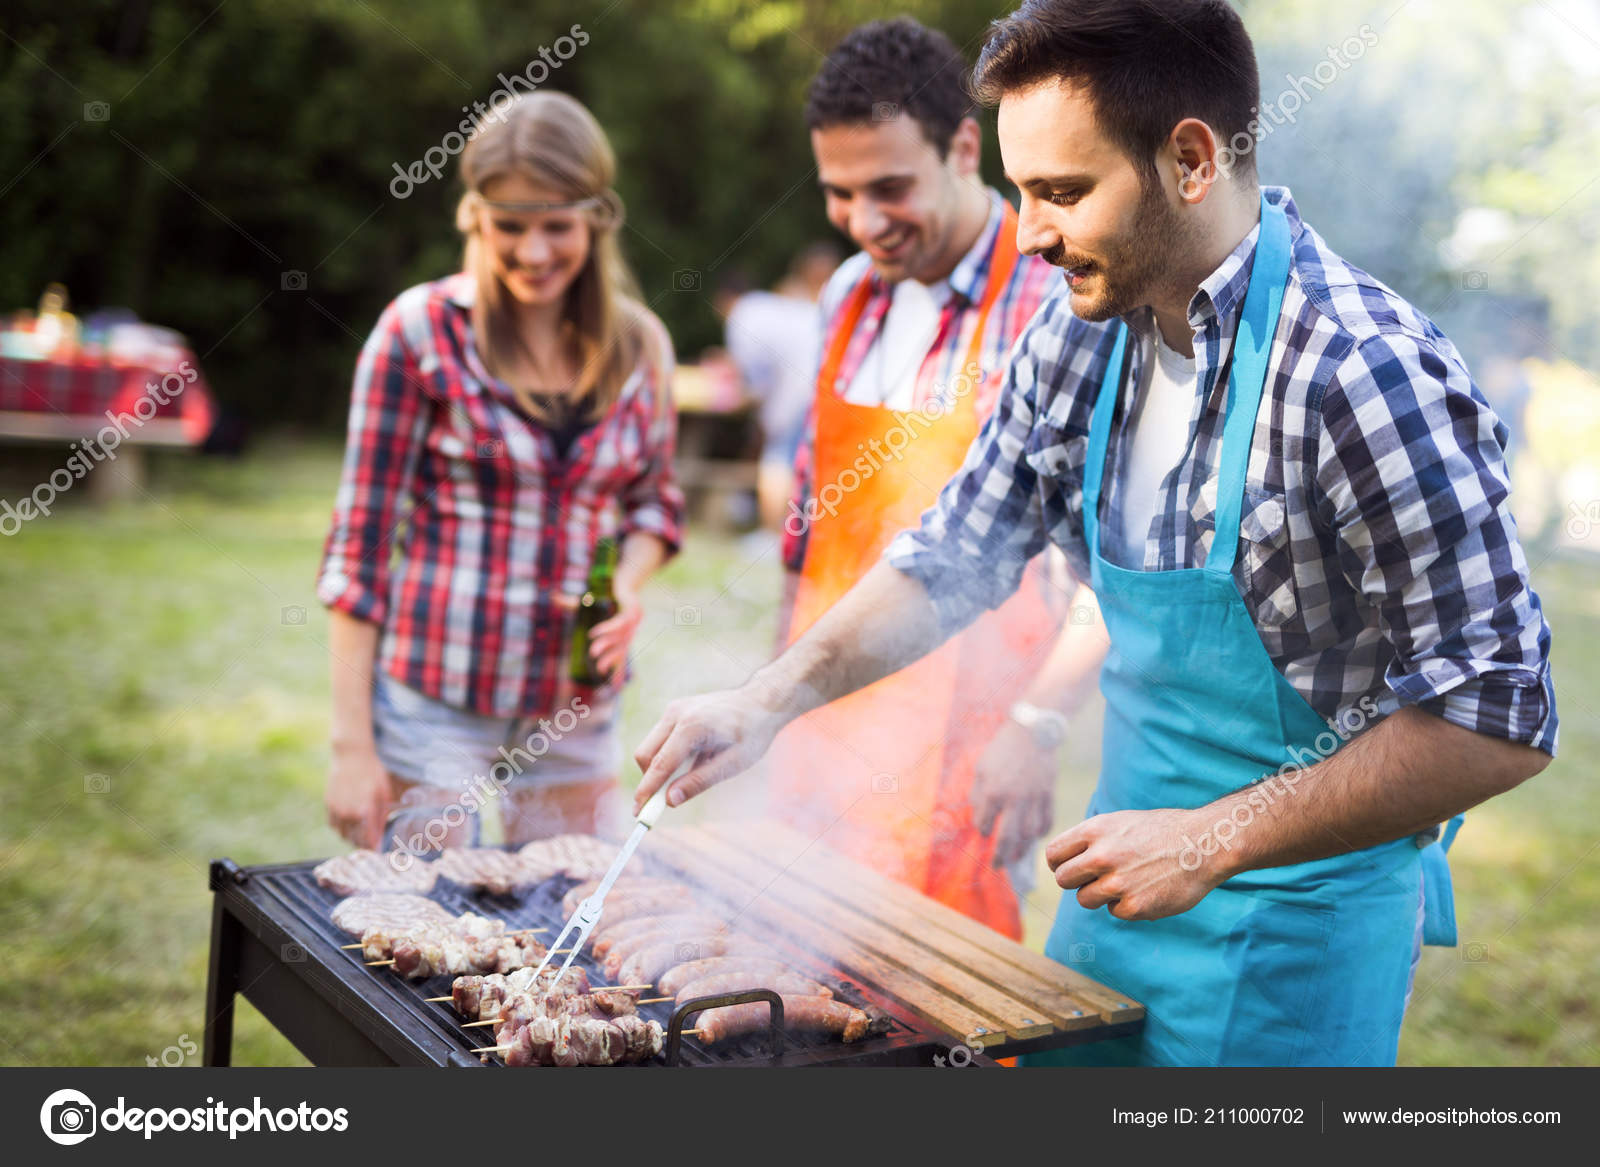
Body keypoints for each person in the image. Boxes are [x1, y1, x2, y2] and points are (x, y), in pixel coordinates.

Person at [633, 0, 1557, 1067]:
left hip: (1297, 936)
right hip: (1110, 899)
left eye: (1063, 193)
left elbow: (1496, 715)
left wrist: (1213, 839)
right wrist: (767, 699)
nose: (1028, 231)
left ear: (1191, 160)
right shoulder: (1077, 338)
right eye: (1023, 191)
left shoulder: (1360, 373)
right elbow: (949, 559)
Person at [762, 17, 1077, 940]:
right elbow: (807, 513)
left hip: (968, 733)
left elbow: (1094, 553)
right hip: (827, 708)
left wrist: (1037, 720)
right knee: (798, 978)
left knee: (944, 1011)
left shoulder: (1050, 297)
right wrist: (772, 687)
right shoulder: (845, 294)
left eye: (889, 186)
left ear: (965, 146)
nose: (865, 221)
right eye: (840, 193)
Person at [319, 92, 683, 855]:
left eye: (557, 225)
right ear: (473, 216)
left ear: (598, 216)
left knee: (566, 928)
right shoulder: (417, 334)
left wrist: (629, 585)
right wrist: (352, 747)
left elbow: (656, 507)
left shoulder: (641, 347)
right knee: (422, 927)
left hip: (575, 711)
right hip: (434, 700)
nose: (534, 251)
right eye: (509, 225)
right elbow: (357, 553)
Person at [720, 243, 840, 530]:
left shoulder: (742, 316)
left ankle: (774, 533)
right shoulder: (774, 306)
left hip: (802, 388)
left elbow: (754, 382)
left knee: (778, 459)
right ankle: (794, 532)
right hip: (826, 380)